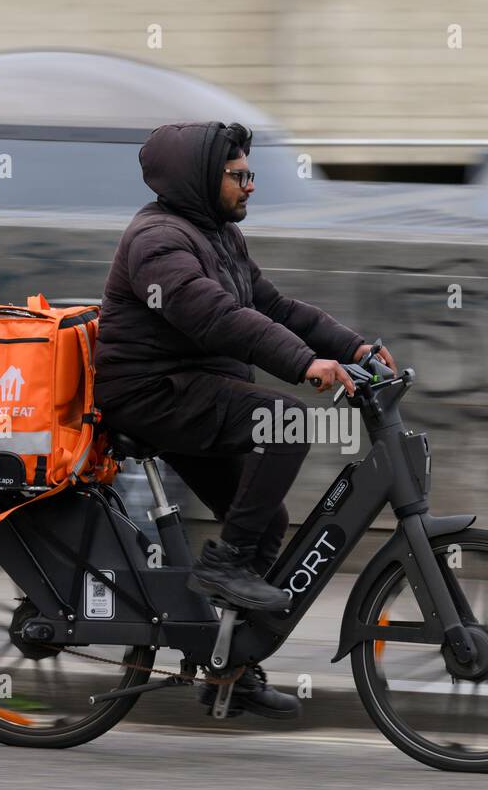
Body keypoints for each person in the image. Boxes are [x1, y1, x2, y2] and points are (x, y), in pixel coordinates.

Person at [94, 121, 396, 718]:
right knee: (284, 422)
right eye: (238, 176)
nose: (250, 186)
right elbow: (216, 319)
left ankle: (227, 663)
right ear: (201, 178)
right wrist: (304, 364)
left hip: (191, 387)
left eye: (250, 174)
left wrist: (356, 348)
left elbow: (276, 307)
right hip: (149, 393)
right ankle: (225, 567)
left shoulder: (218, 236)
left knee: (267, 517)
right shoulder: (157, 242)